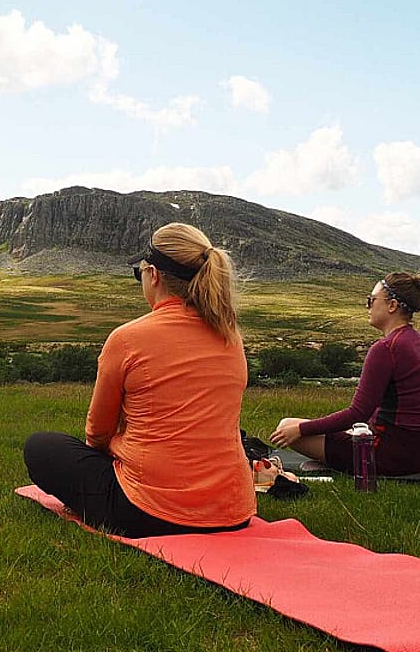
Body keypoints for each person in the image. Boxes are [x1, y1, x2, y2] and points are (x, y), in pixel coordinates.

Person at [23, 223, 256, 538]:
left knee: (41, 446)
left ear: (154, 275)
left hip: (150, 512)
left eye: (140, 273)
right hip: (232, 510)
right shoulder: (231, 337)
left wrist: (109, 455)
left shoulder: (128, 338)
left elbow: (98, 432)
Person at [269, 272, 420, 475]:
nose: (367, 306)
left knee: (288, 425)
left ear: (392, 305)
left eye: (371, 300)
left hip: (393, 455)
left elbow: (357, 412)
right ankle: (335, 458)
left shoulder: (386, 348)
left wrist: (300, 430)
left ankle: (336, 463)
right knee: (342, 430)